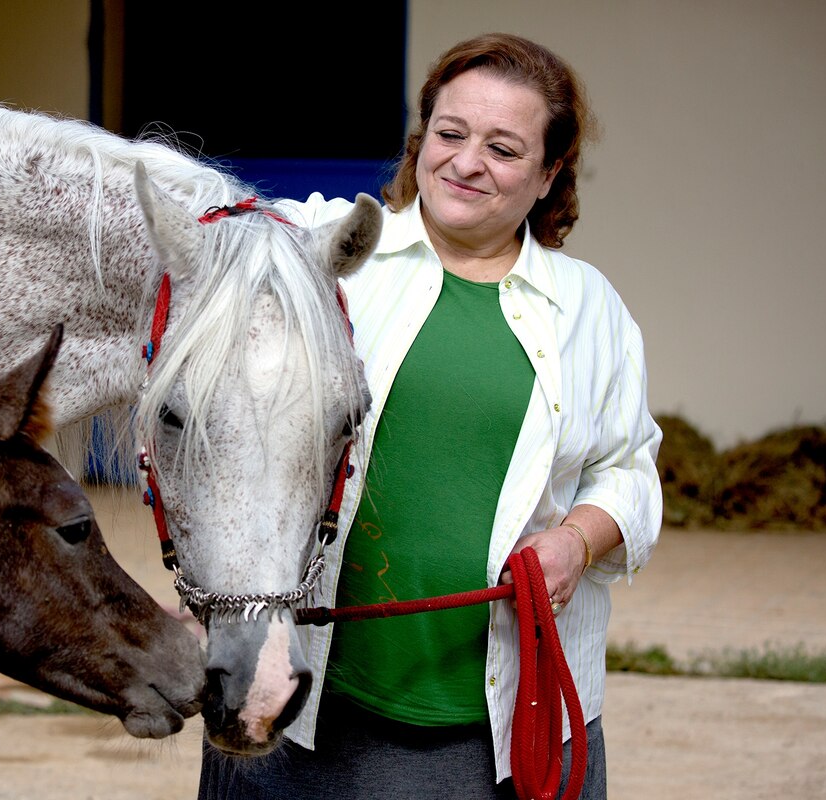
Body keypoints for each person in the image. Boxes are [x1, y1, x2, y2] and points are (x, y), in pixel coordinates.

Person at [198, 32, 662, 799]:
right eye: (450, 134)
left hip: (510, 724)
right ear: (421, 142)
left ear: (549, 175)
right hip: (305, 705)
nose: (467, 162)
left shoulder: (589, 307)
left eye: (504, 149)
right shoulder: (321, 255)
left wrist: (579, 541)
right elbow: (199, 231)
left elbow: (630, 467)